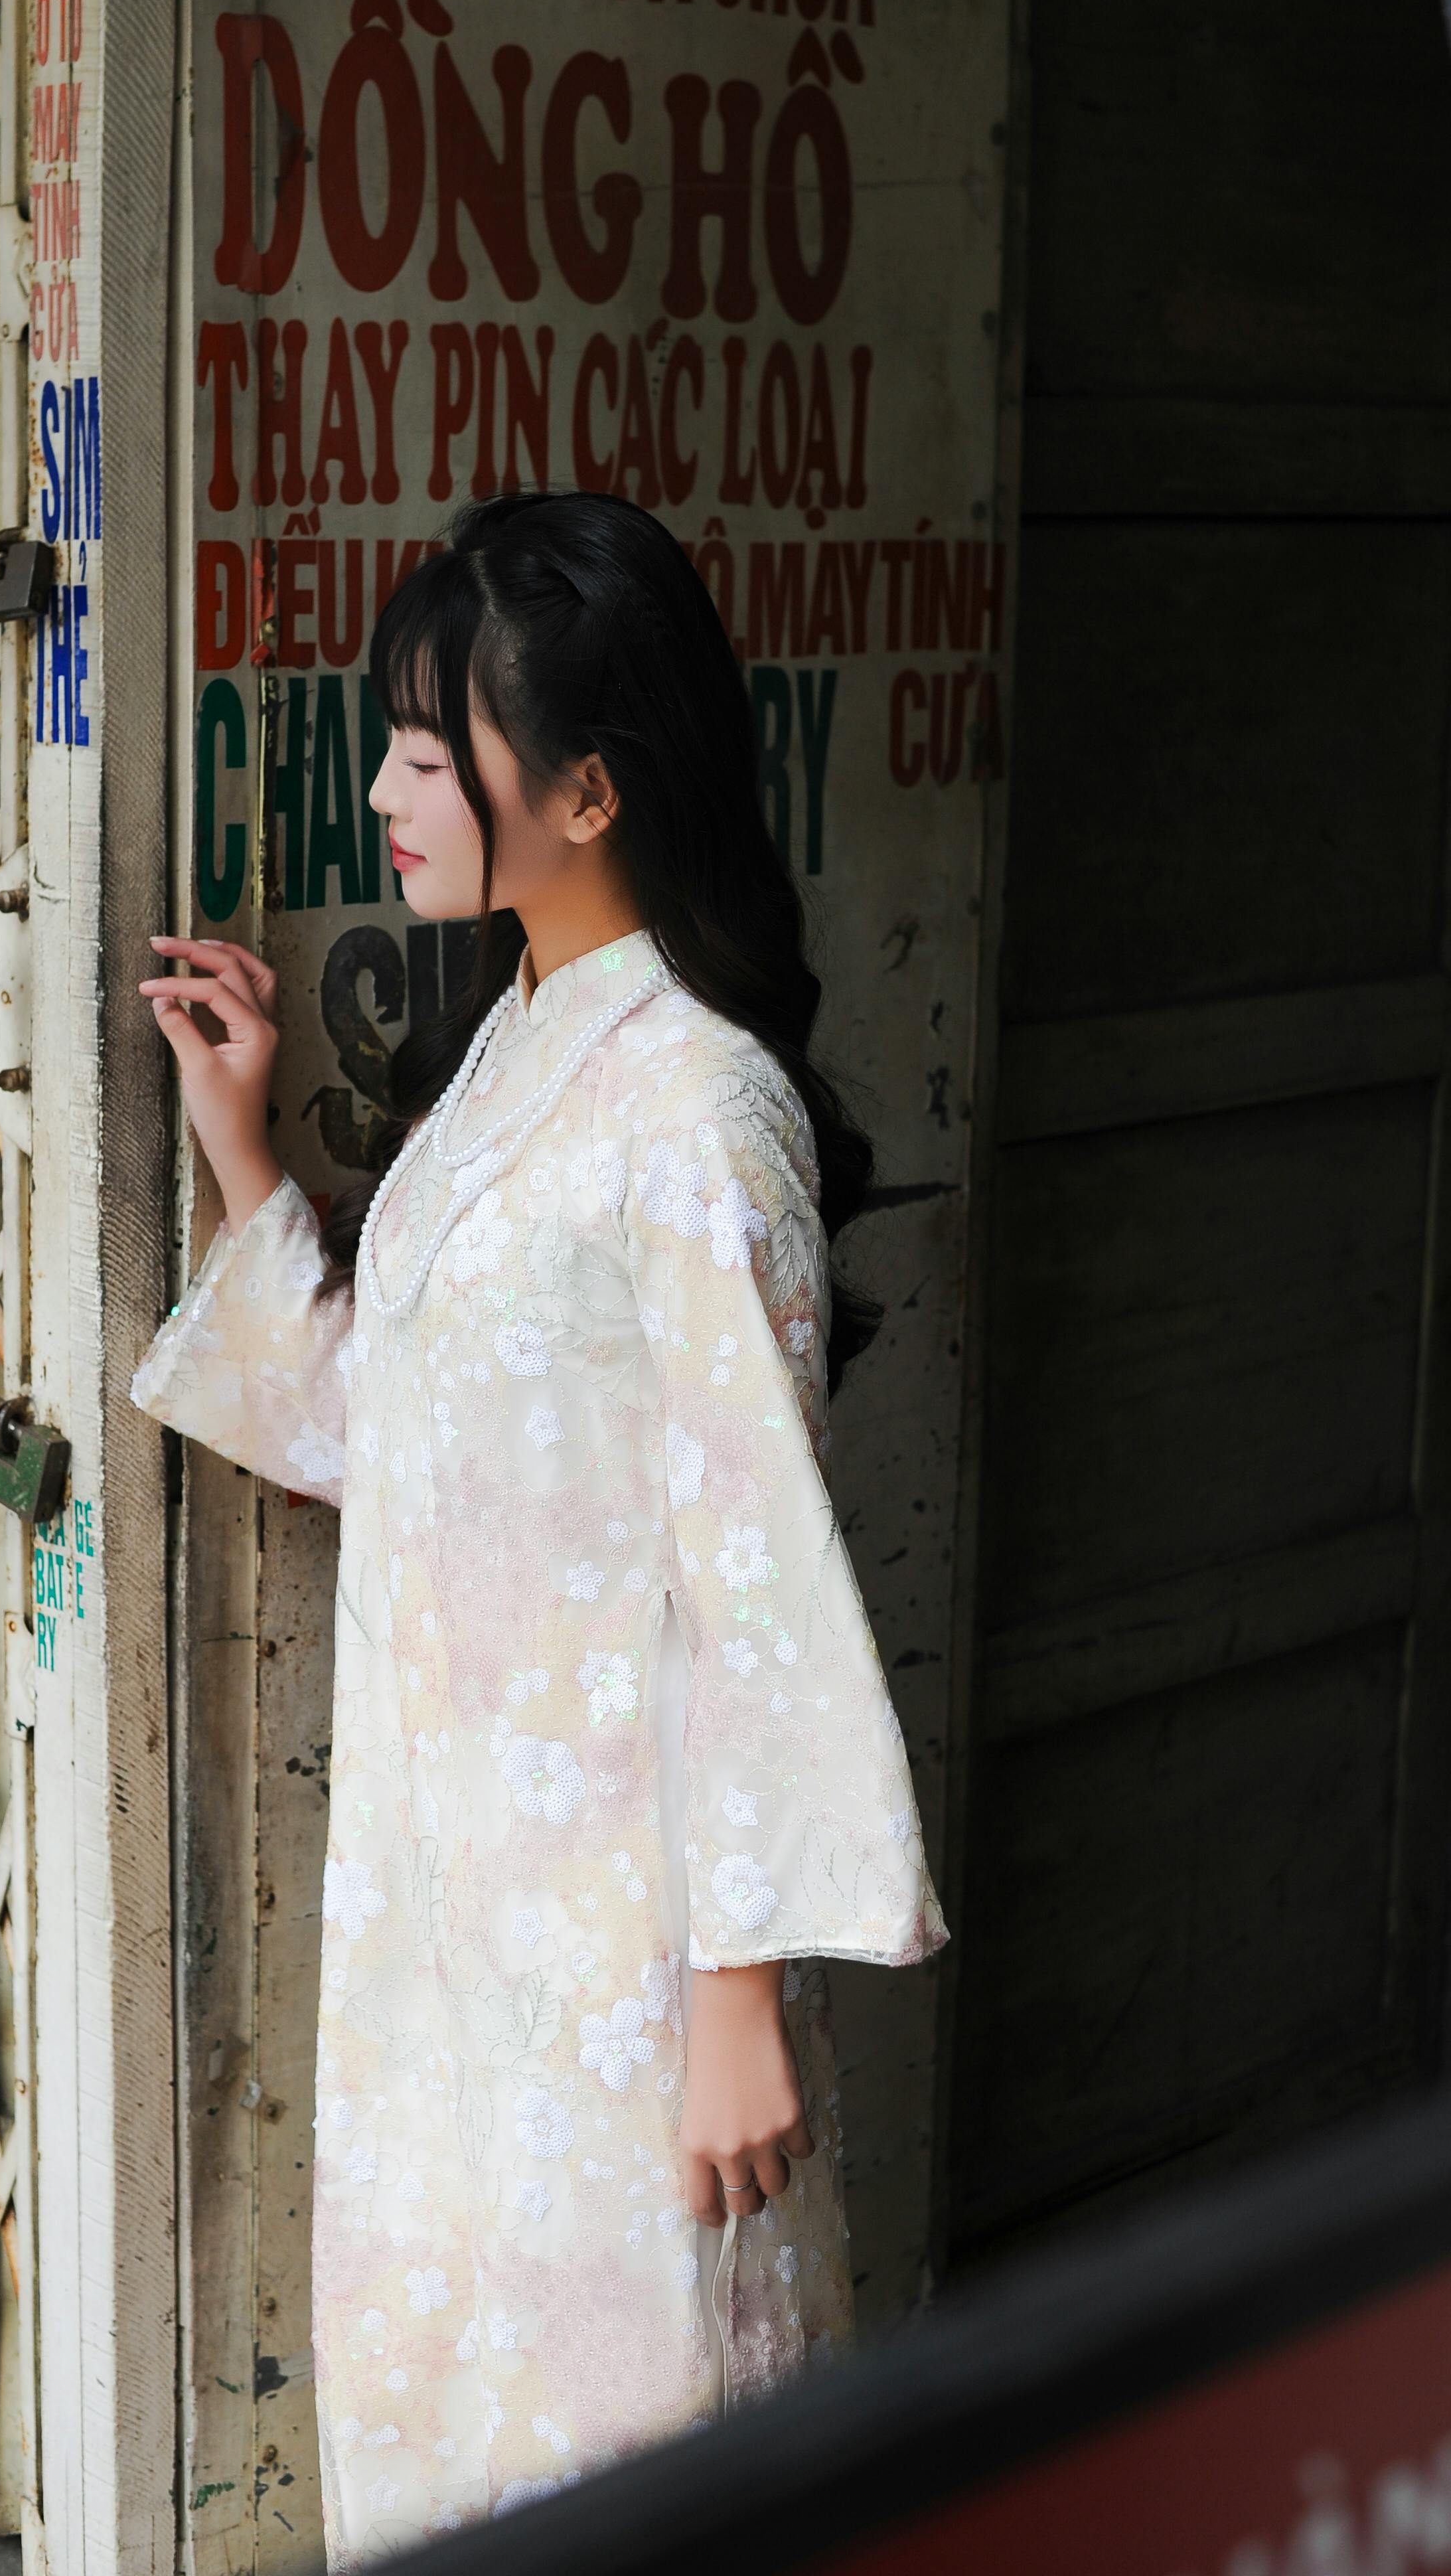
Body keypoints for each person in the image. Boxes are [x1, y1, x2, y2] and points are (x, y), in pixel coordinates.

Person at [132, 491, 947, 2565]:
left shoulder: (697, 1110)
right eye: (394, 743)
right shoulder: (513, 1049)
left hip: (629, 1964)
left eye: (432, 750)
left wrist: (739, 1998)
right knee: (457, 2445)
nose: (387, 791)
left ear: (585, 785)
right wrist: (248, 1159)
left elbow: (753, 1578)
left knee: (644, 2438)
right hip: (452, 1933)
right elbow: (423, 1452)